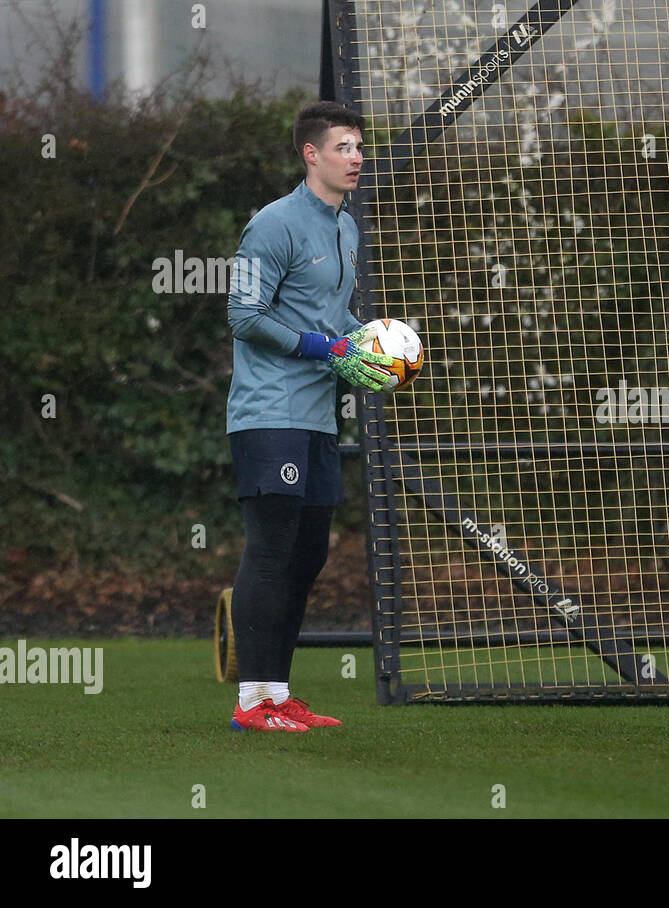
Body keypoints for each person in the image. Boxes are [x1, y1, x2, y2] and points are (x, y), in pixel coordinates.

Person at [225, 101, 394, 732]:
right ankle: (250, 704)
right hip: (269, 415)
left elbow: (336, 322)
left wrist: (378, 346)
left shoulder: (346, 227)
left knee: (307, 555)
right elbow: (244, 316)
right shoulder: (271, 225)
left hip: (320, 419)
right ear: (311, 154)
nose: (356, 157)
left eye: (359, 147)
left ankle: (277, 695)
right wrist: (325, 347)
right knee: (270, 549)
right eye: (344, 147)